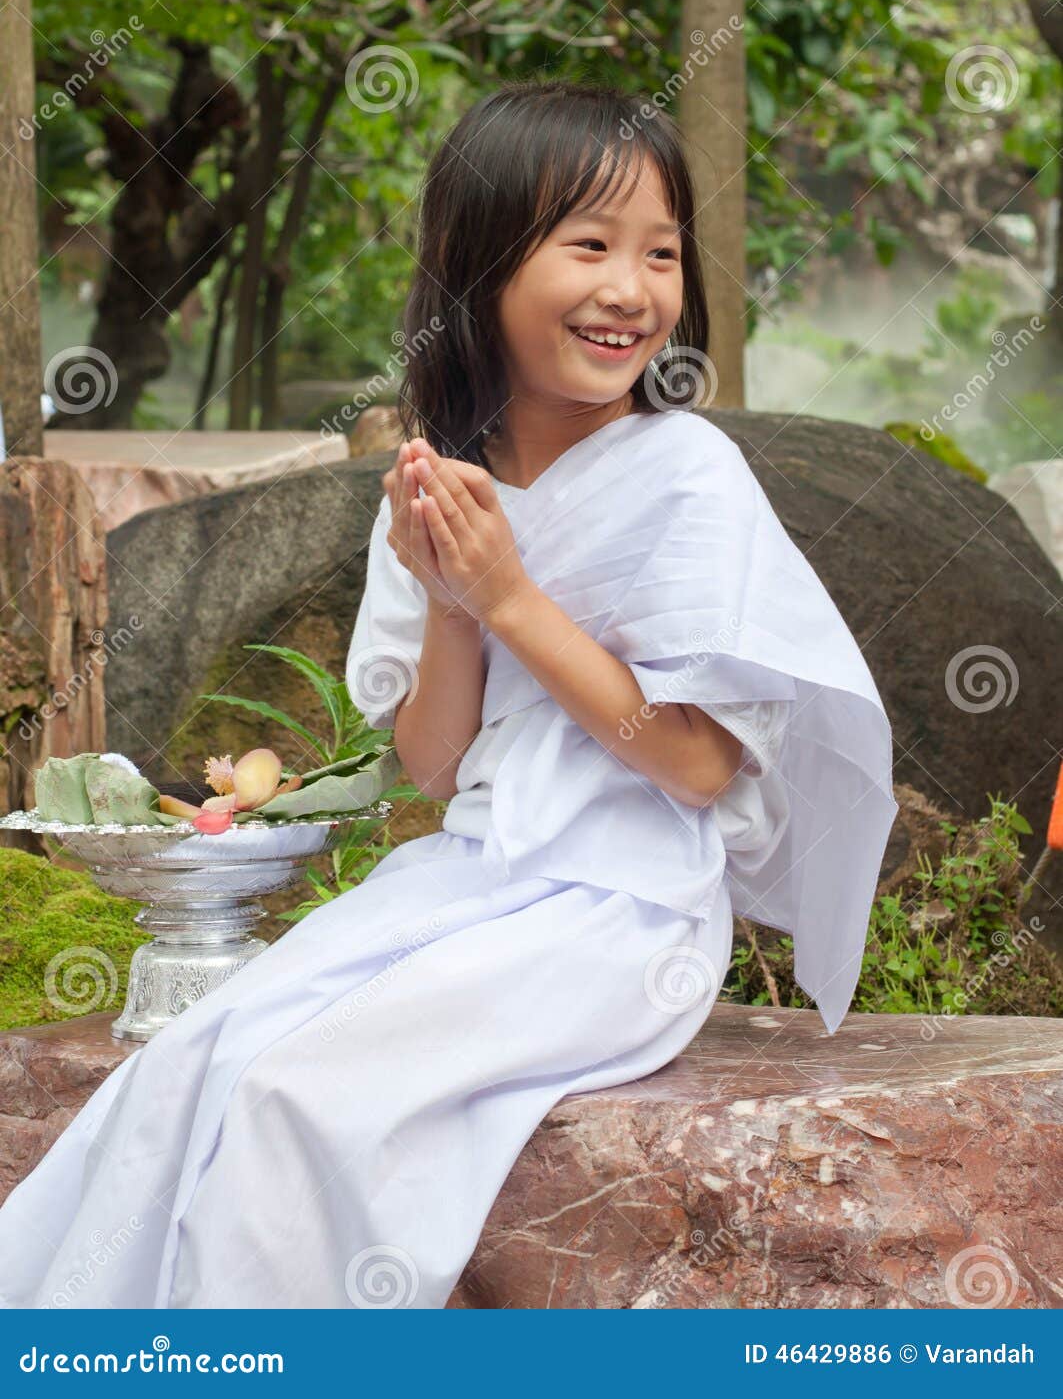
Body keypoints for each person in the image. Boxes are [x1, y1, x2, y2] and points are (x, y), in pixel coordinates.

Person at [0, 81, 896, 1310]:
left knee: (292, 1098)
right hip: (470, 879)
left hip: (621, 908)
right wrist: (453, 595)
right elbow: (432, 764)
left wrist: (511, 593)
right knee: (193, 1060)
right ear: (481, 265)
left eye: (661, 253)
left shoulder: (689, 475)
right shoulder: (446, 478)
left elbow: (697, 766)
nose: (630, 289)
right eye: (587, 245)